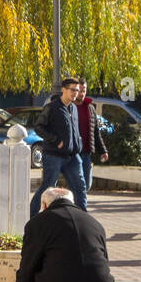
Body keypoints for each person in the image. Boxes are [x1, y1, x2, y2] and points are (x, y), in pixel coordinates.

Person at [30, 78, 87, 218]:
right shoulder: (52, 107)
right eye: (73, 90)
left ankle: (82, 217)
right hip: (53, 155)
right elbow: (39, 127)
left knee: (80, 187)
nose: (76, 93)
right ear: (63, 89)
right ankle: (32, 215)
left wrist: (78, 144)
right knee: (48, 187)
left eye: (77, 90)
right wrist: (55, 140)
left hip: (73, 156)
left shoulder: (73, 108)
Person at [71, 78, 108, 201]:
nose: (81, 94)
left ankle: (77, 204)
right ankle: (78, 208)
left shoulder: (90, 108)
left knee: (86, 184)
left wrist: (103, 150)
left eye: (84, 91)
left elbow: (96, 131)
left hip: (86, 152)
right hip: (72, 152)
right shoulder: (69, 107)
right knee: (77, 184)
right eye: (79, 91)